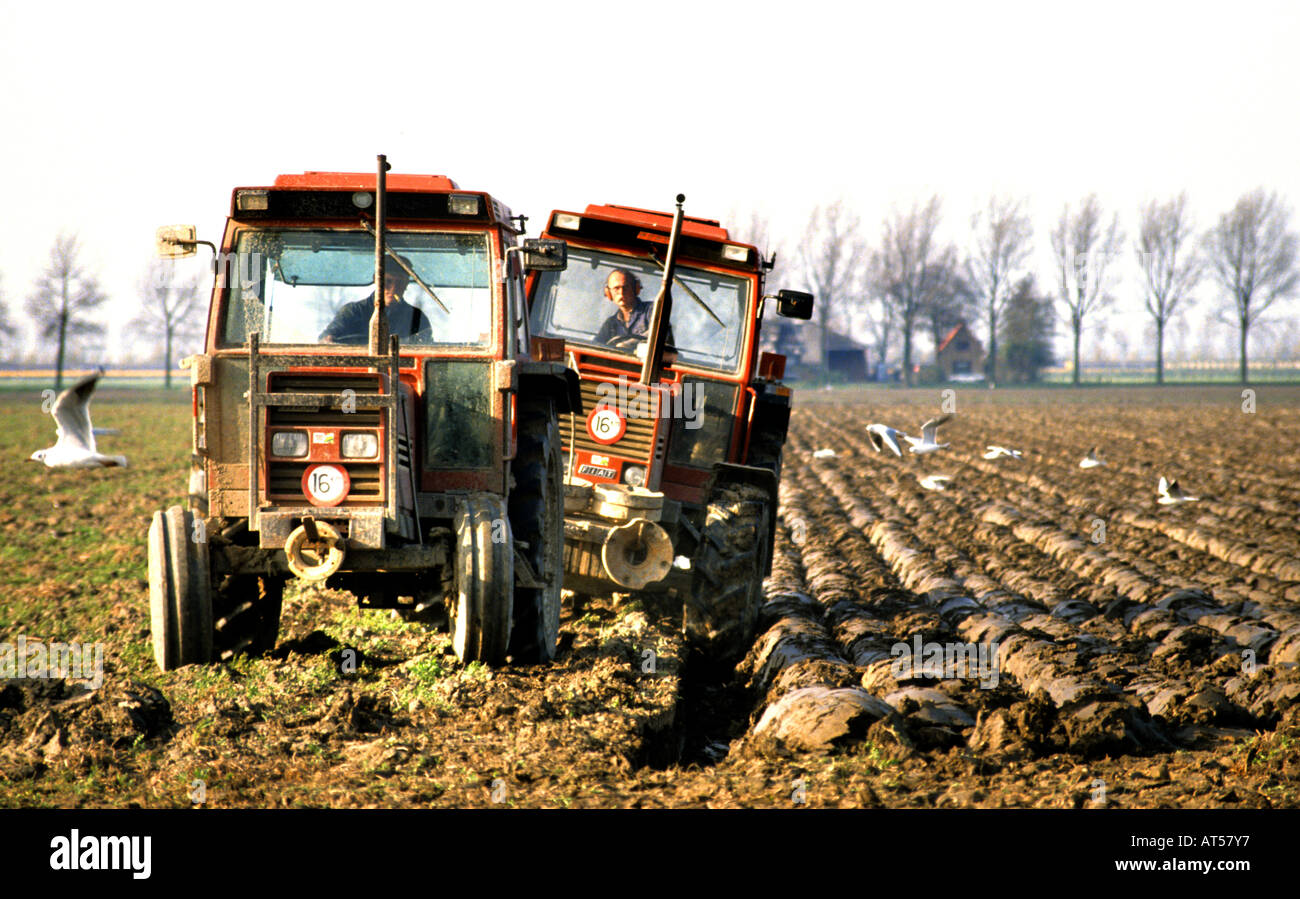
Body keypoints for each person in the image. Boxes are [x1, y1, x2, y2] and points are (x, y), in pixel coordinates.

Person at [320, 256, 431, 344]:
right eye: (388, 281)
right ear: (376, 280)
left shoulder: (416, 318)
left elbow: (427, 350)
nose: (393, 288)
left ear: (407, 284)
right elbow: (327, 338)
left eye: (400, 282)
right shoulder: (353, 312)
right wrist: (328, 339)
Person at [594, 268, 673, 348]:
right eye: (616, 288)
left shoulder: (652, 310)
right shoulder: (610, 324)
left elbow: (659, 333)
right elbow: (595, 347)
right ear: (608, 293)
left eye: (626, 287)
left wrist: (626, 345)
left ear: (636, 289)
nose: (621, 293)